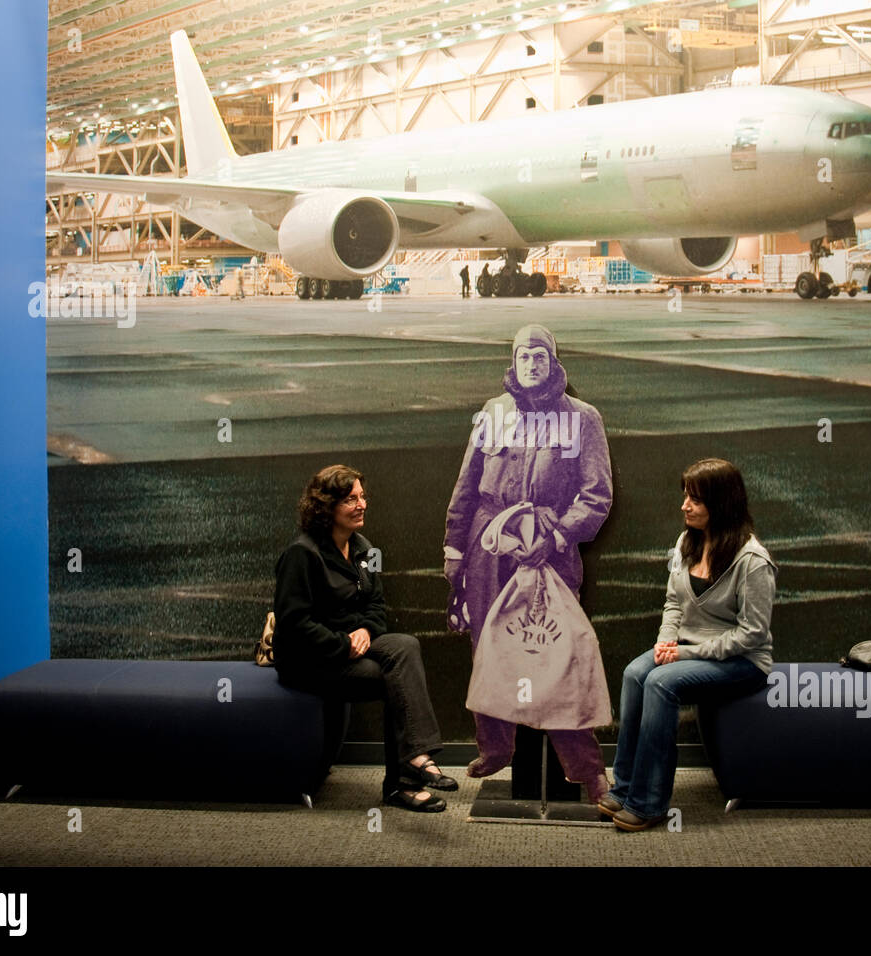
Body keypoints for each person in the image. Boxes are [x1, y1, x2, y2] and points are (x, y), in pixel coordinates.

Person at [444, 324, 614, 803]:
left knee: (556, 658)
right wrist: (454, 551)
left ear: (553, 361)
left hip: (551, 551)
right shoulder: (492, 414)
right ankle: (495, 747)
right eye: (524, 356)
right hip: (489, 543)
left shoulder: (583, 418)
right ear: (513, 361)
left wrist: (558, 536)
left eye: (540, 356)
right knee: (489, 646)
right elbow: (466, 485)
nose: (532, 364)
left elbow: (596, 495)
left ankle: (587, 770)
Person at [600, 458, 776, 831]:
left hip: (743, 662)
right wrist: (666, 642)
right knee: (635, 673)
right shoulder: (685, 543)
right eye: (685, 496)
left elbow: (752, 634)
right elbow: (674, 602)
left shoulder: (753, 561)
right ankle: (626, 786)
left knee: (661, 683)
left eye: (695, 499)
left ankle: (649, 803)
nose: (685, 506)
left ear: (721, 503)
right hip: (686, 649)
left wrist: (684, 653)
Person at [273, 464, 456, 812]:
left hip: (353, 648)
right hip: (311, 662)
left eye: (362, 496)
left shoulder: (364, 548)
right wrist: (344, 643)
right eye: (350, 499)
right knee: (394, 677)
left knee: (406, 646)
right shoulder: (302, 554)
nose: (362, 505)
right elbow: (294, 624)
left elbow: (376, 605)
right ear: (326, 507)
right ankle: (404, 781)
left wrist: (365, 631)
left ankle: (414, 757)